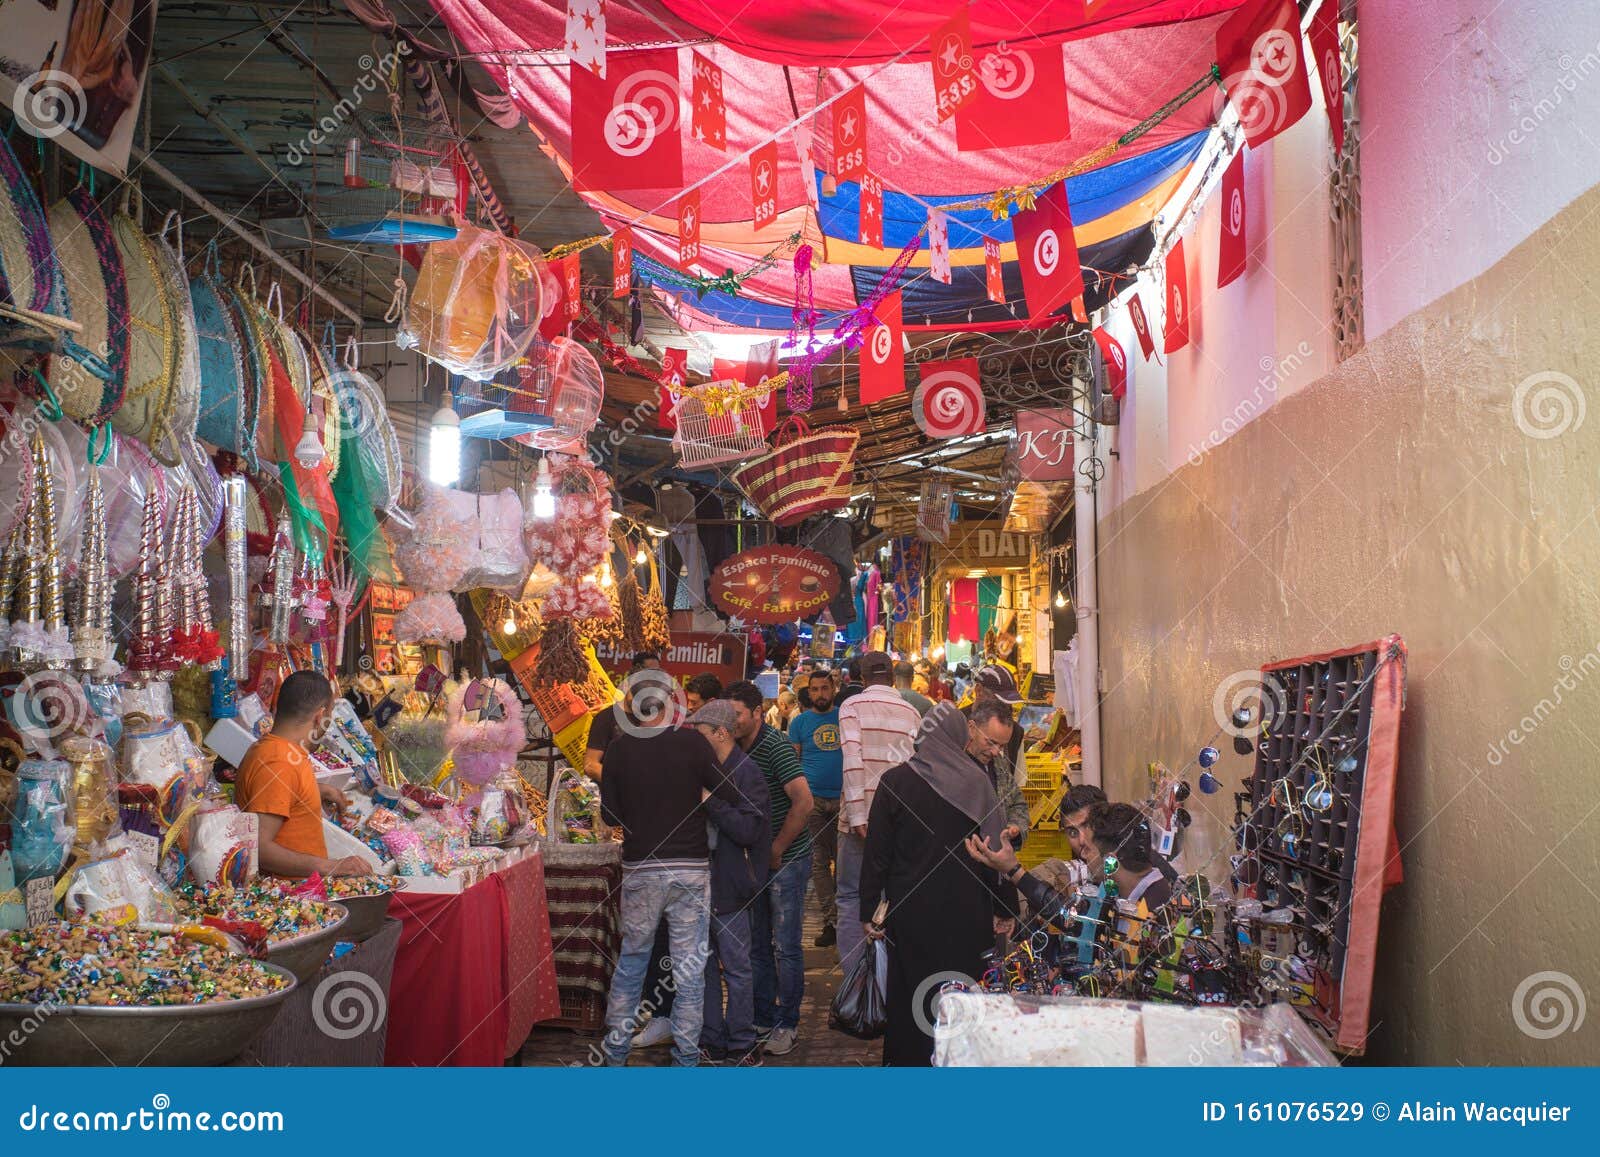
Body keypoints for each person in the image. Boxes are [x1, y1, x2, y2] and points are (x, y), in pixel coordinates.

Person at [598, 686, 752, 1067]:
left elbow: (609, 816)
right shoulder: (693, 745)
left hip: (641, 868)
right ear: (672, 710)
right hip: (690, 868)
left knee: (632, 963)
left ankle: (615, 1055)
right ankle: (686, 1060)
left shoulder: (618, 749)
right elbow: (728, 792)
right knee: (689, 971)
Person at [860, 700, 1018, 1066]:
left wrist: (869, 909)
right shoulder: (978, 783)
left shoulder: (894, 782)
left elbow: (877, 855)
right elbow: (996, 853)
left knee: (911, 995)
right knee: (961, 994)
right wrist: (1004, 906)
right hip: (967, 913)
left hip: (911, 914)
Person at [723, 680, 813, 1056]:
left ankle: (787, 1022)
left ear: (758, 713)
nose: (732, 721)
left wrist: (777, 849)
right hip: (754, 863)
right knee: (757, 944)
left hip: (786, 860)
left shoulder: (774, 747)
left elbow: (804, 802)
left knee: (786, 946)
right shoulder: (731, 747)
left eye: (738, 715)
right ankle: (762, 1015)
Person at [688, 701, 771, 1065]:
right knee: (702, 968)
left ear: (720, 733)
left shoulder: (745, 771)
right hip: (698, 884)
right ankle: (712, 1039)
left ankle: (741, 1041)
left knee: (737, 968)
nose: (695, 740)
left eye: (701, 733)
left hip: (731, 885)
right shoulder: (700, 770)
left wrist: (710, 803)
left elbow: (751, 829)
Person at [236, 671, 371, 879]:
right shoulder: (279, 762)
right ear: (320, 716)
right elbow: (258, 848)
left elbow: (277, 793)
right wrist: (331, 866)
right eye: (329, 716)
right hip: (288, 900)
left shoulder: (276, 751)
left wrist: (318, 791)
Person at [837, 650, 920, 976]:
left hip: (861, 821)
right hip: (898, 822)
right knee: (891, 897)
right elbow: (914, 771)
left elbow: (852, 762)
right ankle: (886, 978)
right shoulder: (912, 713)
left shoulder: (851, 707)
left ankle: (856, 981)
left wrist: (859, 817)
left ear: (862, 677)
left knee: (850, 897)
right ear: (892, 677)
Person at [966, 800, 1172, 927]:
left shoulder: (1151, 914)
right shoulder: (1125, 887)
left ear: (1111, 861)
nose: (1082, 854)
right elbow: (1073, 919)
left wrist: (1013, 869)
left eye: (1087, 849)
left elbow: (1076, 923)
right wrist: (1012, 869)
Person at [788, 669, 843, 949]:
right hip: (814, 802)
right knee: (820, 863)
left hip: (844, 800)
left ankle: (845, 922)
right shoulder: (799, 723)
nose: (820, 694)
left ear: (833, 689)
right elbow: (792, 762)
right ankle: (831, 922)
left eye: (825, 688)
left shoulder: (845, 717)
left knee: (843, 863)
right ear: (808, 693)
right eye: (815, 689)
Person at [965, 665, 1030, 843]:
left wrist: (1015, 828)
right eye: (998, 701)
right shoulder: (956, 725)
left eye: (1008, 704)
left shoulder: (1015, 732)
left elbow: (1017, 797)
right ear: (978, 691)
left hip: (996, 848)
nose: (1004, 709)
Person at [585, 652, 660, 780]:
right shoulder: (606, 718)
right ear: (626, 685)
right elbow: (590, 765)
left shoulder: (652, 717)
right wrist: (620, 783)